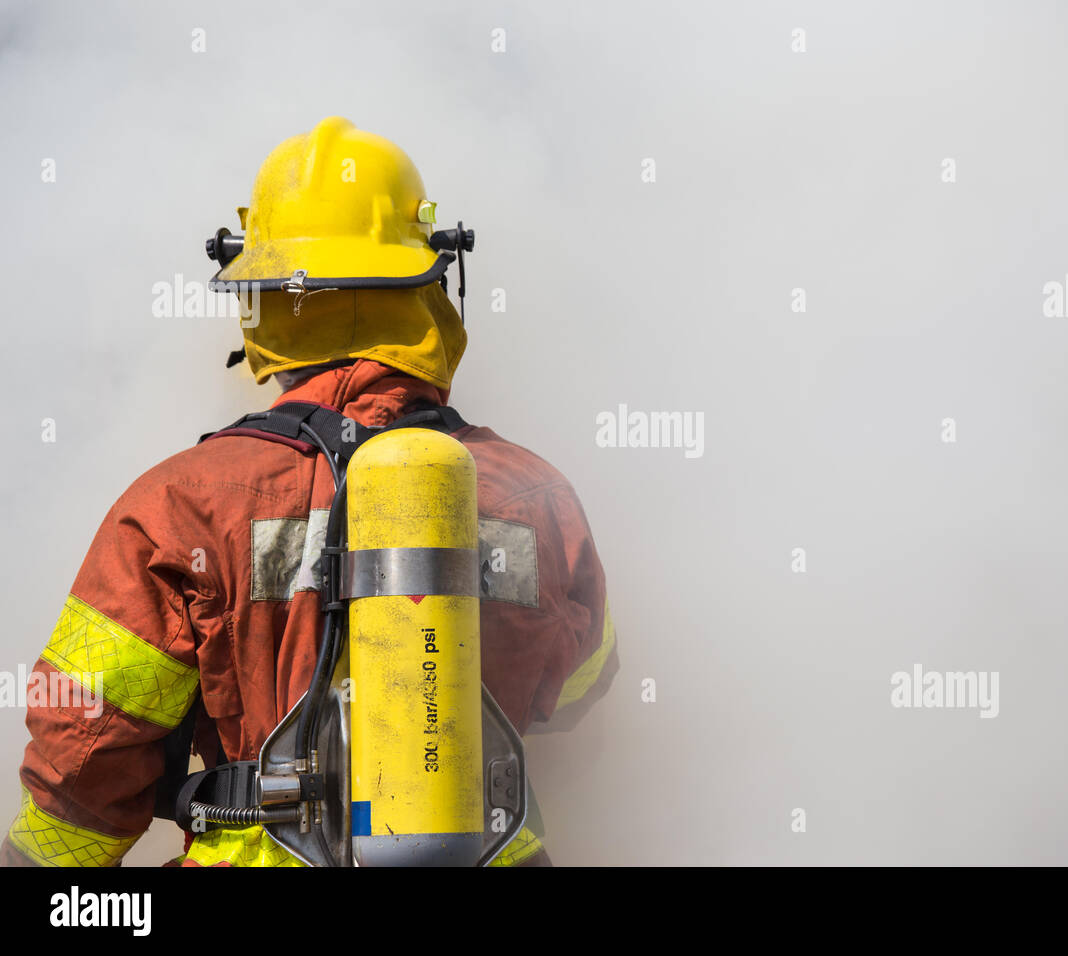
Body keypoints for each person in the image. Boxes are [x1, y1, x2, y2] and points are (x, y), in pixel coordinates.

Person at [0, 117, 618, 868]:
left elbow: (87, 748)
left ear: (259, 297)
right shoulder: (535, 495)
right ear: (431, 280)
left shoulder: (180, 504)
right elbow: (585, 683)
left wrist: (47, 868)